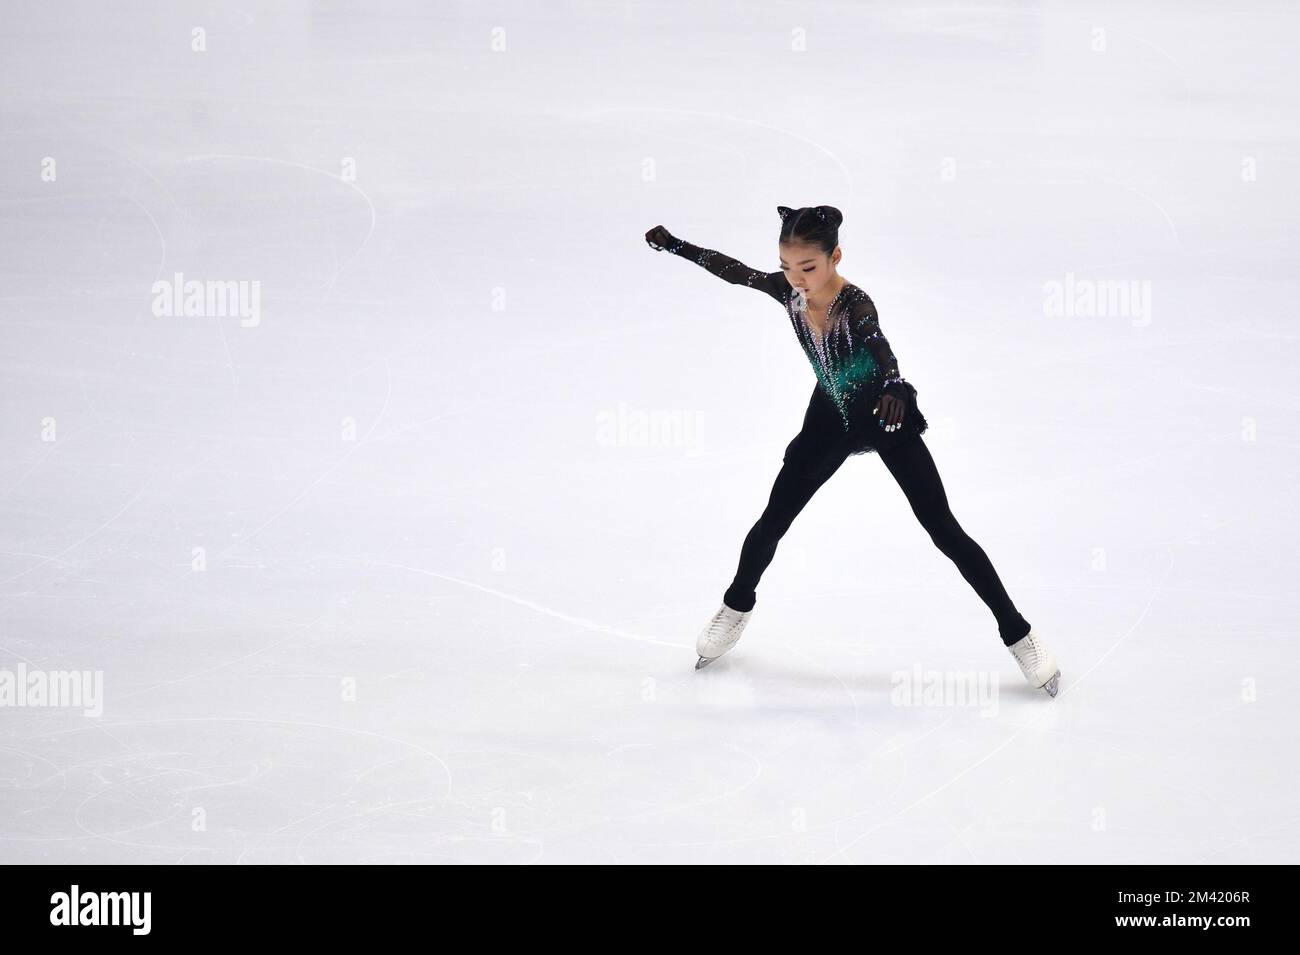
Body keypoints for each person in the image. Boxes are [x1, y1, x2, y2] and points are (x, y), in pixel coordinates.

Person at [645, 206, 1060, 696]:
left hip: (884, 417)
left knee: (943, 528)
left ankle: (1020, 634)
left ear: (834, 256)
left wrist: (896, 386)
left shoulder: (856, 304)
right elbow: (733, 271)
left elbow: (880, 347)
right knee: (773, 519)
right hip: (827, 419)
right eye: (786, 267)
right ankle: (735, 607)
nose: (795, 279)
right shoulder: (788, 292)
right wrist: (677, 245)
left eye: (808, 268)